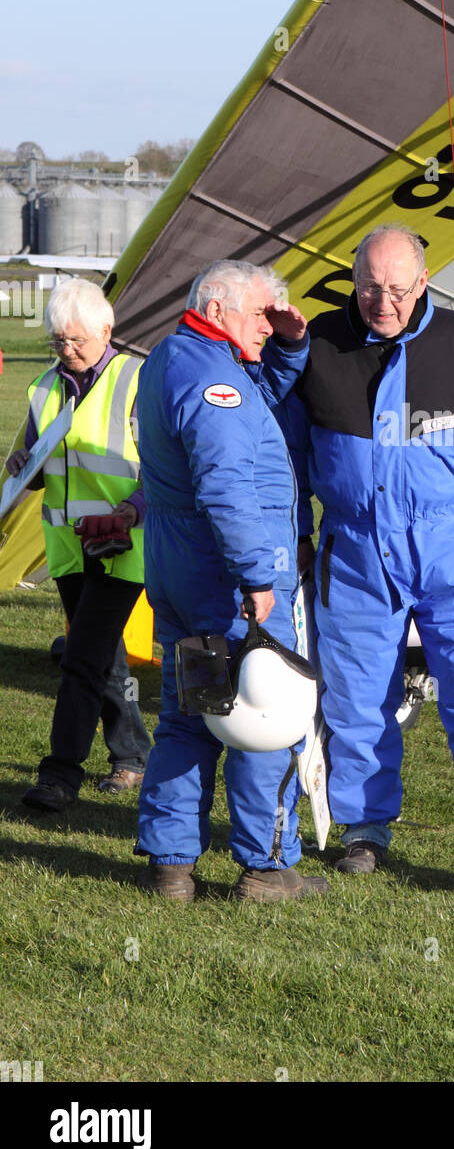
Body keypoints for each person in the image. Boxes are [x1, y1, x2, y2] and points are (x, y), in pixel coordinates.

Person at [278, 224, 454, 887]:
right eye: (371, 288)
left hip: (451, 547)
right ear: (354, 282)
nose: (384, 303)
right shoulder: (317, 345)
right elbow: (288, 457)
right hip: (352, 548)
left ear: (424, 282)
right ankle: (363, 827)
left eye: (399, 290)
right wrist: (296, 533)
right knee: (354, 696)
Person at [133, 260, 328, 903]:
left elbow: (254, 402)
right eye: (258, 317)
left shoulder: (177, 357)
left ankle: (170, 867)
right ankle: (266, 870)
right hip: (230, 578)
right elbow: (226, 485)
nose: (267, 330)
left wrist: (291, 346)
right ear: (217, 310)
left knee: (191, 714)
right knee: (263, 719)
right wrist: (255, 575)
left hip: (181, 567)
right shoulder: (215, 380)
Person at [6, 277, 152, 812]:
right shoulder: (43, 388)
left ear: (106, 330)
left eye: (76, 341)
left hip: (122, 546)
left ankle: (59, 774)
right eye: (58, 342)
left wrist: (134, 508)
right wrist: (20, 466)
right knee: (102, 657)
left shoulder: (136, 379)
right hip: (68, 549)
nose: (67, 351)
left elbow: (162, 466)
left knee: (81, 659)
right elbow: (31, 462)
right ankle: (133, 754)